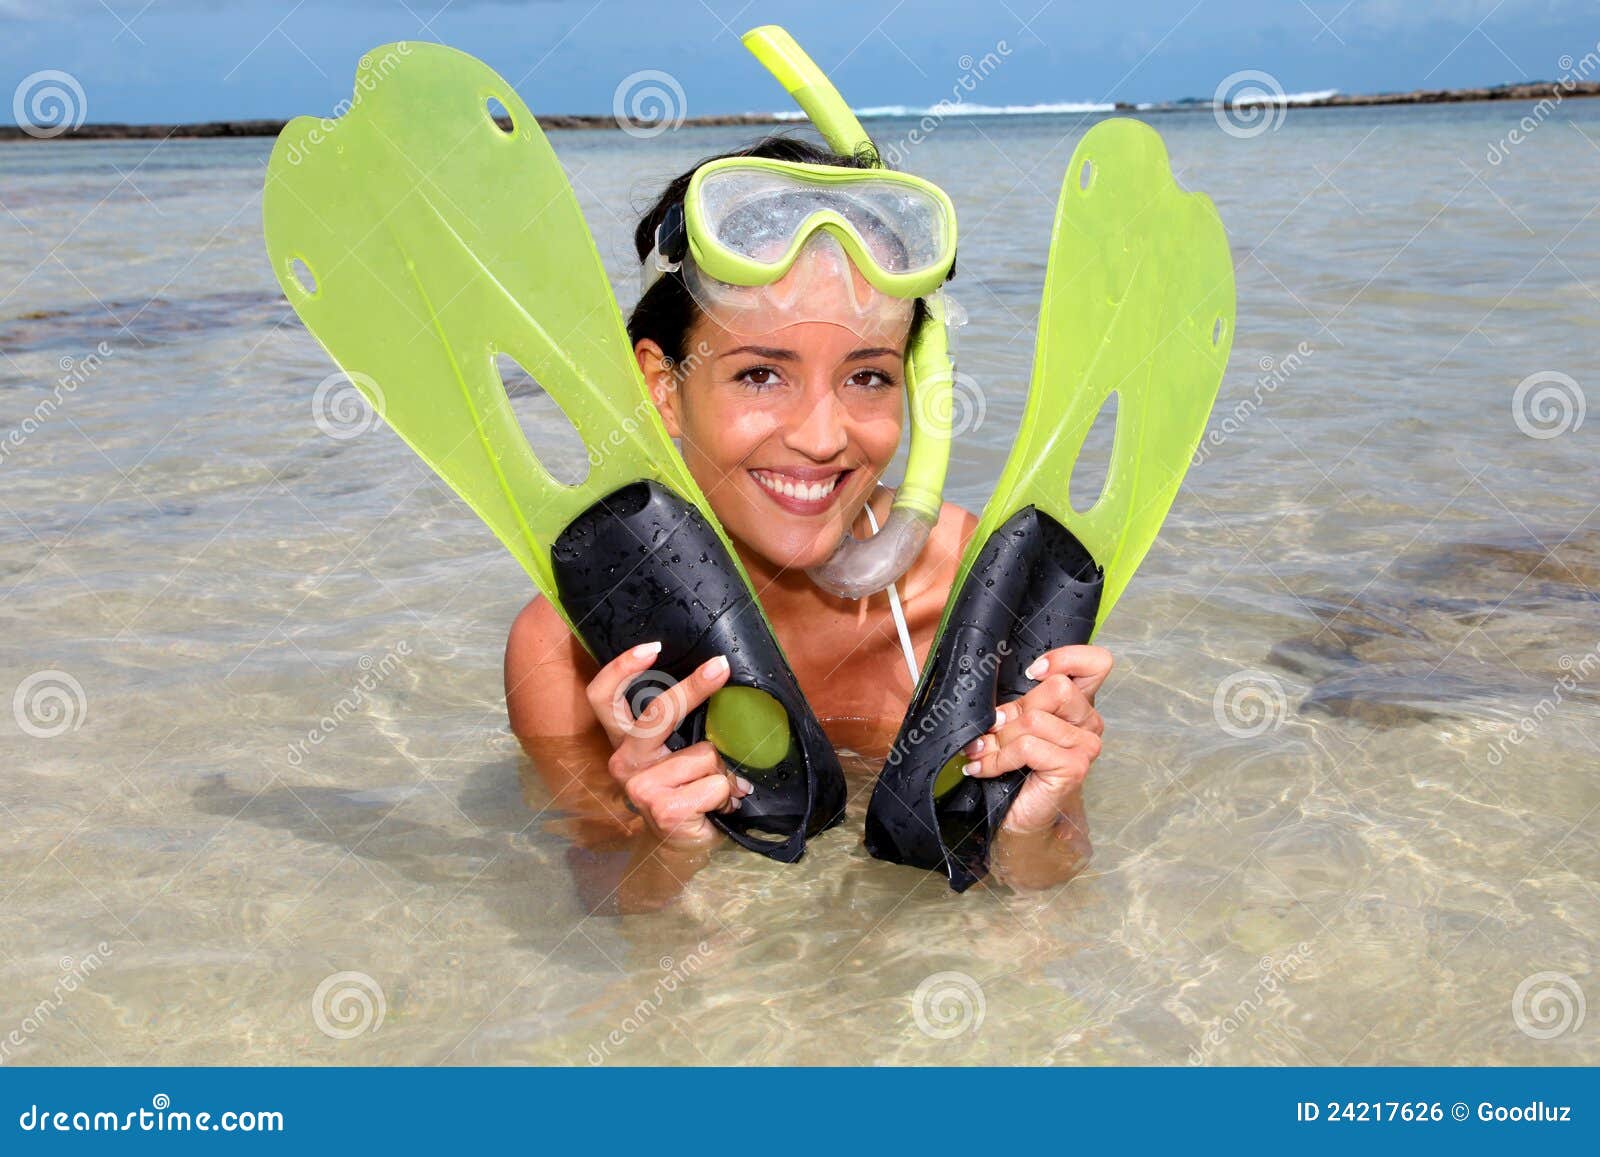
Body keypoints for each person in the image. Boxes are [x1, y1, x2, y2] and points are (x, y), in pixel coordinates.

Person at [504, 138, 1110, 904]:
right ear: (662, 387)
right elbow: (607, 905)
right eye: (760, 374)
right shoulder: (567, 648)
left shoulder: (981, 595)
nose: (823, 436)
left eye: (867, 376)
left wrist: (1027, 828)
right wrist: (667, 845)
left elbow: (1046, 885)